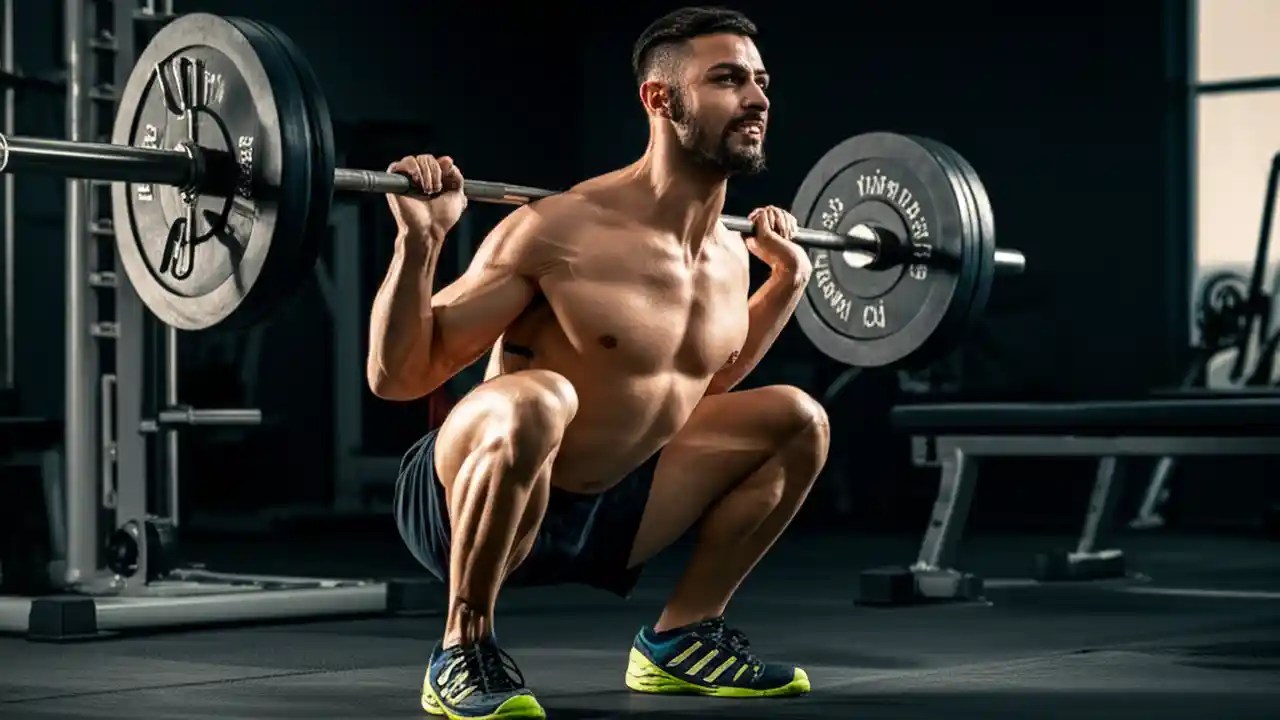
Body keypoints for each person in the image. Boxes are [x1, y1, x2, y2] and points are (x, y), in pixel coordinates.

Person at [369, 6, 830, 719]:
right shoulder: (562, 232)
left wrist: (786, 284)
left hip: (608, 509)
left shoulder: (730, 255)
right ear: (660, 98)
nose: (757, 99)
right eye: (728, 79)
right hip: (470, 499)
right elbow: (399, 377)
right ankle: (462, 645)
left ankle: (680, 639)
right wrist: (420, 246)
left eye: (761, 82)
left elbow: (696, 381)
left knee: (798, 419)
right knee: (538, 397)